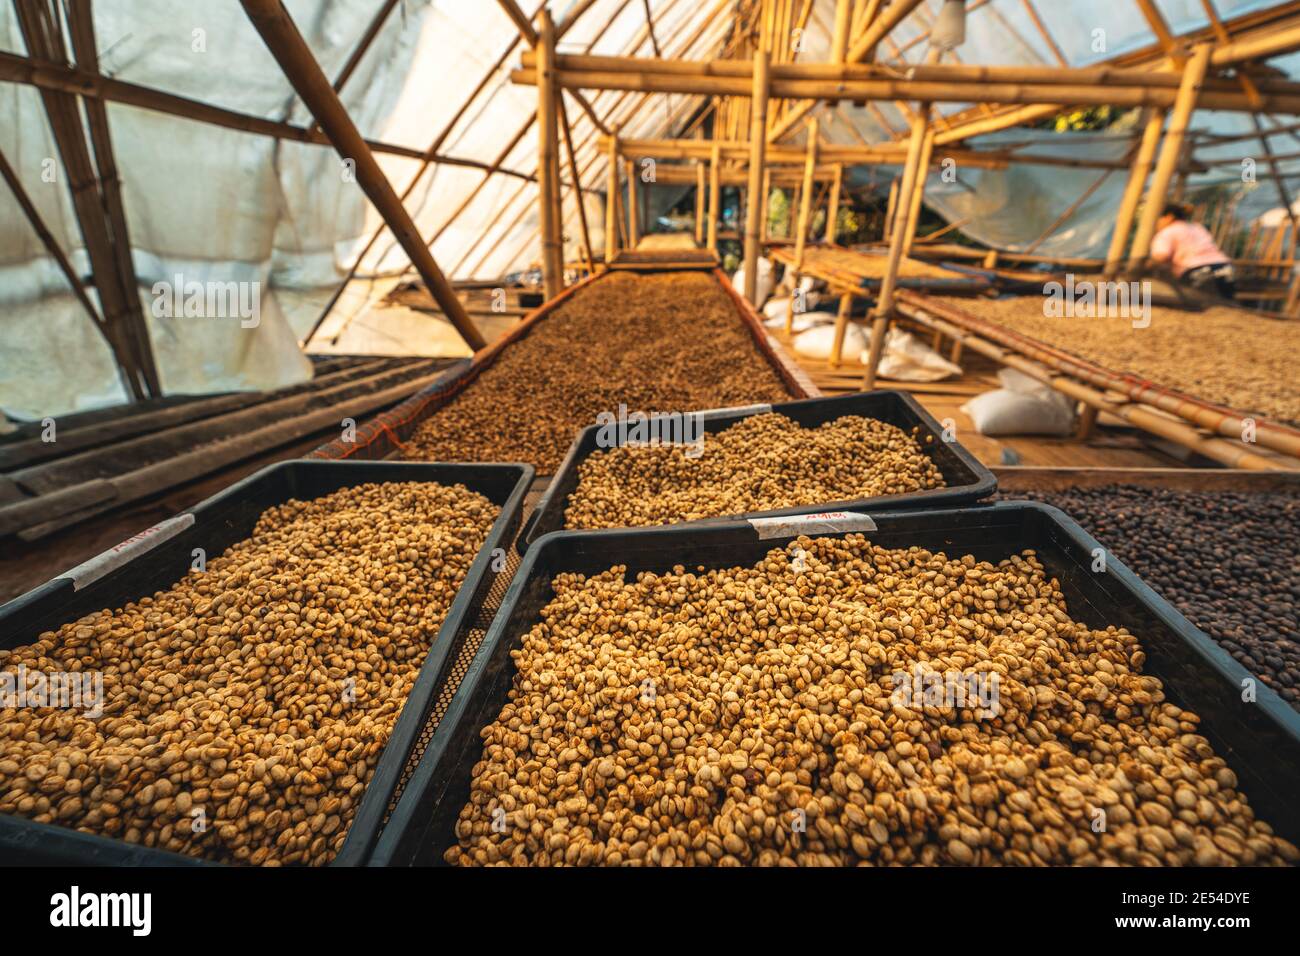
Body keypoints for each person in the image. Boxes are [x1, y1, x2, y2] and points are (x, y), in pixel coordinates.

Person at [1150, 202, 1236, 299]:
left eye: (1158, 219)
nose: (1156, 223)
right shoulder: (1197, 227)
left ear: (1169, 217)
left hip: (1197, 272)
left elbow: (1161, 256)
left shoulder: (1167, 232)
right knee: (1225, 303)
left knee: (1195, 304)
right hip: (1225, 268)